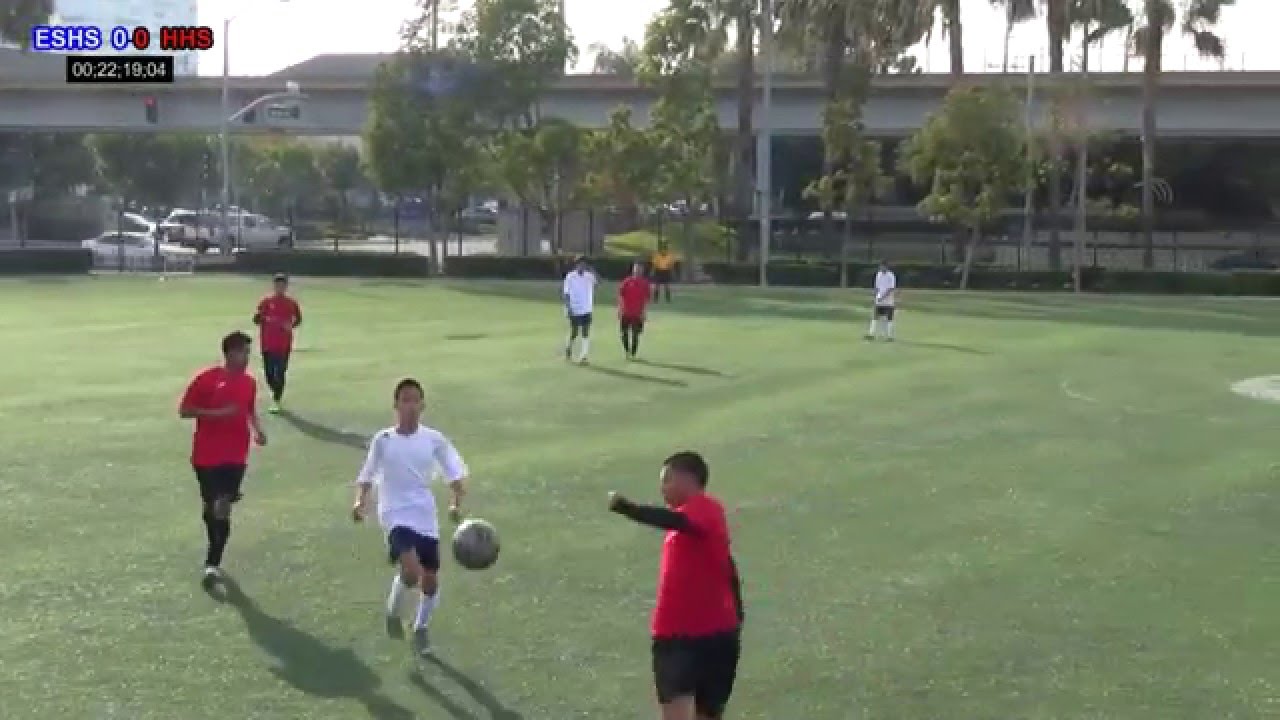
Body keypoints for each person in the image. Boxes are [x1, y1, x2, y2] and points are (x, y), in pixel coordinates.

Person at [608, 452, 744, 720]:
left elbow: (676, 521)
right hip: (707, 634)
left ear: (689, 478)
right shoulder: (702, 521)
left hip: (689, 637)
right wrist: (738, 608)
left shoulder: (704, 508)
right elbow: (726, 564)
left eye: (667, 479)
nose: (662, 488)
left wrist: (629, 509)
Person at [352, 377, 469, 658]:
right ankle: (397, 612)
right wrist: (360, 501)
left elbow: (454, 474)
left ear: (422, 405)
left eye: (416, 400)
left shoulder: (434, 439)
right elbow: (367, 474)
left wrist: (455, 503)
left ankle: (420, 626)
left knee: (429, 580)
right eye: (405, 400)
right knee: (412, 570)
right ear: (396, 405)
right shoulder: (383, 440)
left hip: (424, 514)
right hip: (394, 513)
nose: (411, 405)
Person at [178, 331, 267, 589]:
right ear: (229, 353)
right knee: (212, 509)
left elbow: (249, 409)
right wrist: (218, 414)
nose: (247, 358)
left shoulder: (249, 382)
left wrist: (258, 430)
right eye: (242, 352)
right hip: (206, 455)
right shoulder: (207, 379)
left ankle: (212, 562)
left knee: (222, 506)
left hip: (236, 454)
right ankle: (213, 543)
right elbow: (184, 410)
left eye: (248, 353)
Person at [252, 273, 302, 413]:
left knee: (280, 372)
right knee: (269, 373)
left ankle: (276, 399)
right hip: (267, 343)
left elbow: (298, 319)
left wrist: (290, 325)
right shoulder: (266, 301)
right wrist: (262, 318)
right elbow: (256, 319)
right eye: (277, 285)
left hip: (284, 344)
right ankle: (276, 391)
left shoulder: (291, 303)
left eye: (283, 285)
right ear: (274, 286)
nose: (280, 287)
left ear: (286, 286)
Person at [562, 256, 597, 365]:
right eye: (580, 264)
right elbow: (566, 293)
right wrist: (568, 307)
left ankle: (584, 356)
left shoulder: (589, 276)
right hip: (574, 308)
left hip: (587, 308)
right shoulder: (570, 276)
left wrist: (593, 271)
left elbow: (599, 283)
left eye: (584, 264)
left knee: (585, 332)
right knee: (574, 331)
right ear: (576, 265)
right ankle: (568, 349)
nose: (582, 266)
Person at [618, 262, 652, 360]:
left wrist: (644, 312)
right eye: (636, 268)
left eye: (639, 269)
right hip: (626, 312)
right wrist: (620, 309)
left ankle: (633, 353)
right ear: (633, 269)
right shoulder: (626, 281)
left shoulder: (645, 283)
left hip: (637, 313)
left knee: (635, 334)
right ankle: (627, 351)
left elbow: (646, 299)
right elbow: (621, 296)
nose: (637, 271)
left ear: (642, 271)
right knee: (624, 333)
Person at [866, 260, 897, 341]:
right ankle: (871, 334)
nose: (881, 268)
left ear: (886, 267)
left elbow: (891, 289)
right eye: (881, 266)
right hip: (879, 300)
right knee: (875, 317)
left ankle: (889, 336)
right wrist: (875, 296)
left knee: (889, 318)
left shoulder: (891, 276)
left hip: (889, 301)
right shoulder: (878, 275)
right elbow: (876, 287)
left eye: (883, 266)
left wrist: (883, 297)